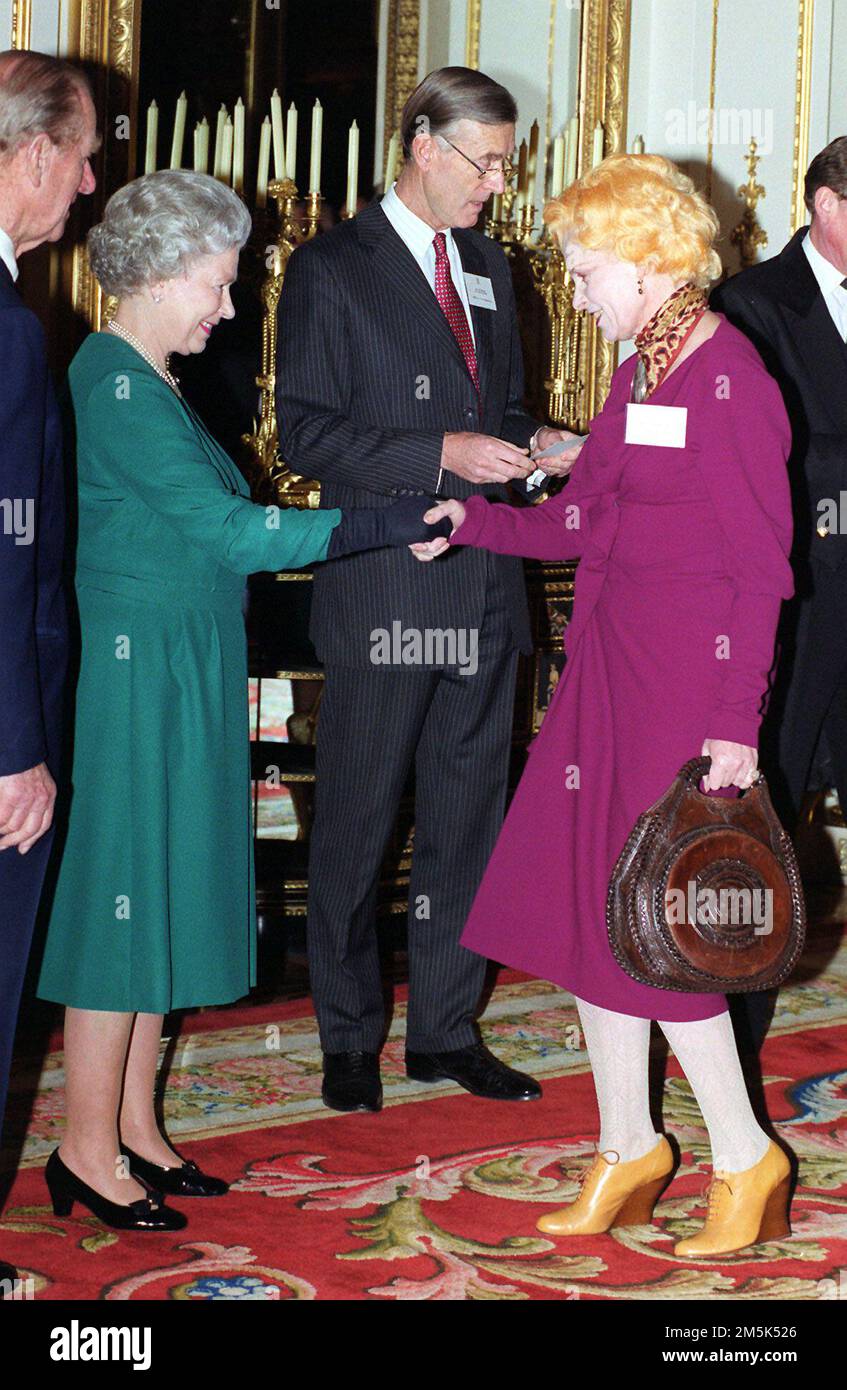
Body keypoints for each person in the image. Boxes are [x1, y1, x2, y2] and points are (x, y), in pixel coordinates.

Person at [35, 170, 449, 1233]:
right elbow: (240, 534)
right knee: (121, 904)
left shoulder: (146, 377)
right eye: (217, 287)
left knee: (162, 892)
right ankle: (83, 1148)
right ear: (165, 274)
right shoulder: (113, 383)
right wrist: (385, 521)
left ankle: (132, 1126)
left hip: (178, 661)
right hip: (135, 680)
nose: (227, 310)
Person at [412, 154, 796, 1259]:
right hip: (606, 677)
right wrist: (473, 523)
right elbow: (585, 521)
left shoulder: (731, 380)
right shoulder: (641, 374)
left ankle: (741, 1154)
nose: (574, 291)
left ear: (644, 263)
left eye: (584, 271)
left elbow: (764, 571)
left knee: (665, 930)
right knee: (591, 912)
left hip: (686, 689)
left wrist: (736, 723)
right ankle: (627, 1144)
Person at [276, 66, 578, 1113]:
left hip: (489, 586)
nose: (498, 183)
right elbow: (305, 431)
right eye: (485, 161)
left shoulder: (492, 265)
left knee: (468, 821)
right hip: (385, 595)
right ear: (423, 145)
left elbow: (496, 407)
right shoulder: (331, 268)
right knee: (356, 821)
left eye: (505, 162)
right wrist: (434, 449)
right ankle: (349, 1037)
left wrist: (537, 440)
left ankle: (446, 1030)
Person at [0, 50, 98, 1291]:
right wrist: (15, 748)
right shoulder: (11, 335)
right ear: (26, 155)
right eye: (78, 155)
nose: (85, 182)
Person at [712, 139, 847, 831]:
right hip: (802, 585)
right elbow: (758, 448)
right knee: (773, 793)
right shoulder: (749, 303)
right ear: (826, 205)